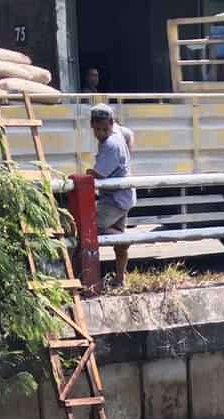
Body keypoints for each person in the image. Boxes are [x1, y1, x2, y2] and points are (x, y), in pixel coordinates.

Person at [88, 104, 135, 286]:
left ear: (111, 123)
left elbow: (100, 174)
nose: (101, 133)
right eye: (97, 130)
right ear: (92, 125)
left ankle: (125, 239)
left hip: (114, 200)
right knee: (118, 240)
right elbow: (130, 134)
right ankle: (120, 279)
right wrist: (127, 159)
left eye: (104, 129)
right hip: (123, 196)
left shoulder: (111, 145)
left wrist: (89, 173)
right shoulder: (118, 132)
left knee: (89, 228)